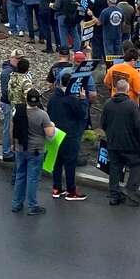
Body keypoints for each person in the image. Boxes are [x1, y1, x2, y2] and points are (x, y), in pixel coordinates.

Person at [100, 77, 140, 206]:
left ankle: (114, 195)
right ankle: (130, 189)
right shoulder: (131, 105)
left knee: (115, 167)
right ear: (128, 89)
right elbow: (138, 126)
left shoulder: (108, 104)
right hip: (129, 143)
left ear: (115, 89)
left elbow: (103, 123)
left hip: (113, 142)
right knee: (137, 164)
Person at [46, 74, 86, 202]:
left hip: (55, 134)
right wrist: (83, 100)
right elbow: (81, 115)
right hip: (70, 136)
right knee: (70, 164)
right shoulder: (71, 100)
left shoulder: (52, 99)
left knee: (57, 162)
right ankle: (71, 190)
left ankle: (57, 188)